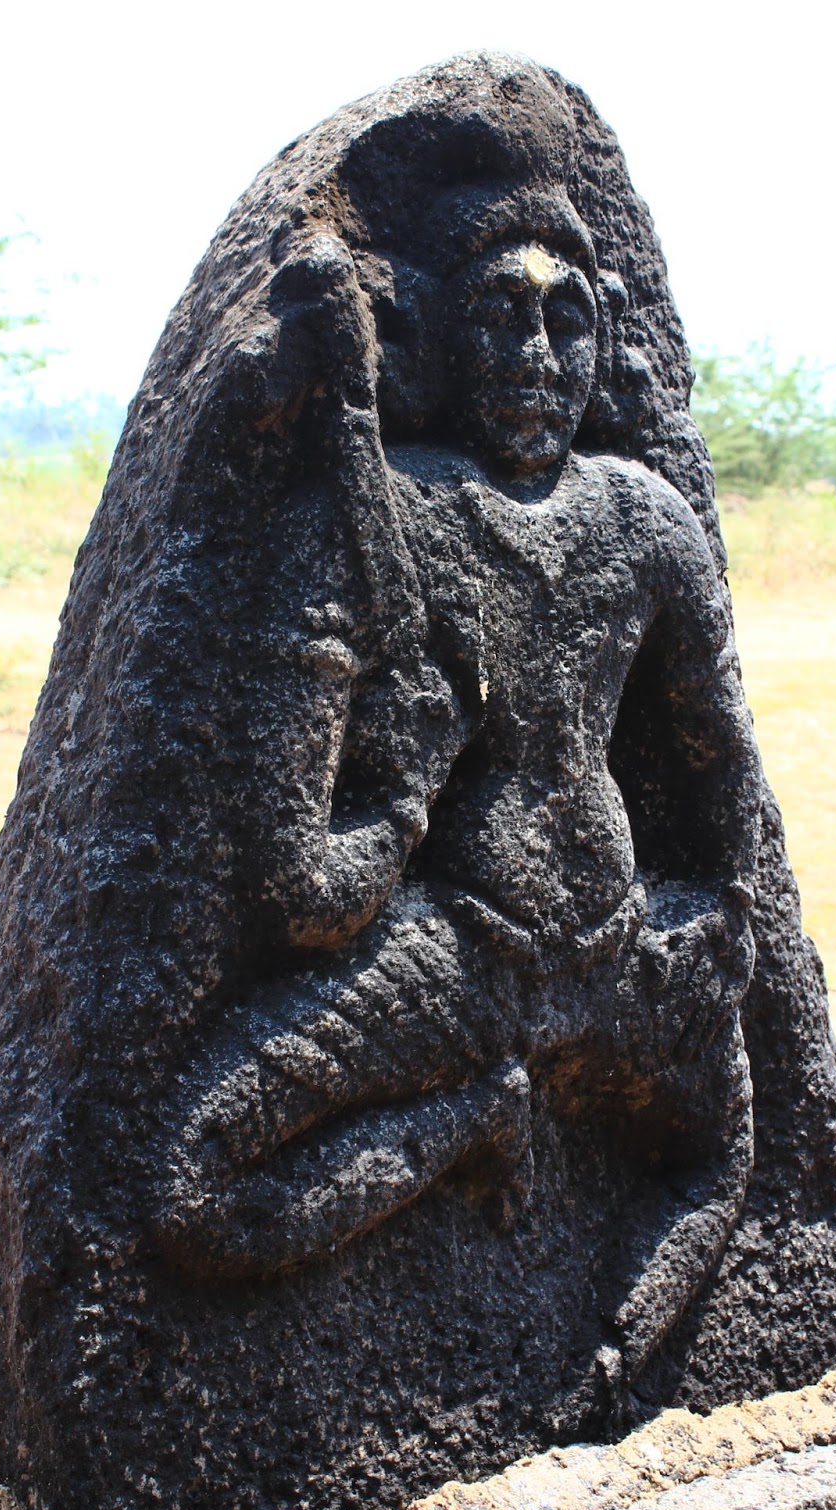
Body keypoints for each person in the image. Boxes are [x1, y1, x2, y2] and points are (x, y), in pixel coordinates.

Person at [153, 201, 761, 1404]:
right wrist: (403, 796)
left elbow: (715, 748)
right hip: (458, 960)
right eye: (502, 316)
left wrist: (730, 914)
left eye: (566, 320)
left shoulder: (646, 519)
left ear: (606, 343)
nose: (538, 358)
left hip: (621, 948)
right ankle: (468, 1127)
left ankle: (614, 1360)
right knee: (188, 1187)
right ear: (428, 341)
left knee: (730, 1156)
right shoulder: (377, 520)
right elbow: (302, 896)